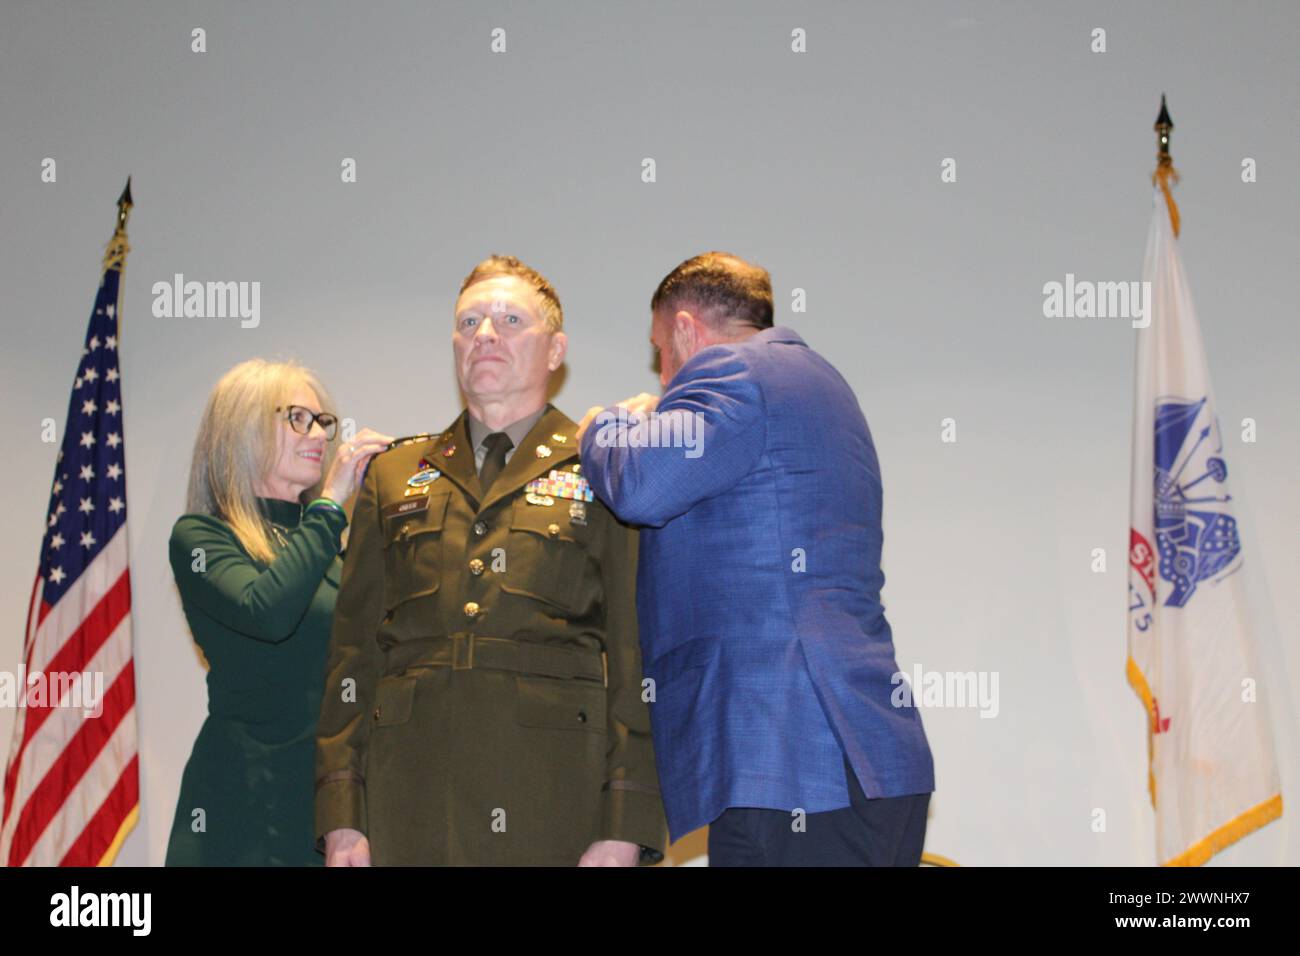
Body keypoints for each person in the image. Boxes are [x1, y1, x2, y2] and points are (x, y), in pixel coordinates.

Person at [578, 251, 935, 866]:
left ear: (687, 330)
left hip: (793, 762)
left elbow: (640, 486)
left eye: (662, 350)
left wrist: (605, 426)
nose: (665, 378)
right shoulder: (823, 385)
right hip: (862, 757)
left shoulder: (732, 374)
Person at [315, 255, 666, 866]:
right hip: (410, 802)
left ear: (555, 350)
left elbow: (637, 654)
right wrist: (342, 813)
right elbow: (353, 655)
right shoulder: (396, 475)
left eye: (509, 319)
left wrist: (625, 823)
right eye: (469, 321)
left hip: (554, 802)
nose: (485, 334)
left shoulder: (604, 468)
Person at [166, 359, 391, 865]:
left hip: (331, 800)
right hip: (248, 800)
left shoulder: (330, 547)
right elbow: (267, 612)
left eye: (322, 421)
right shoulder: (202, 537)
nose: (318, 435)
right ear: (240, 430)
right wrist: (332, 502)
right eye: (297, 419)